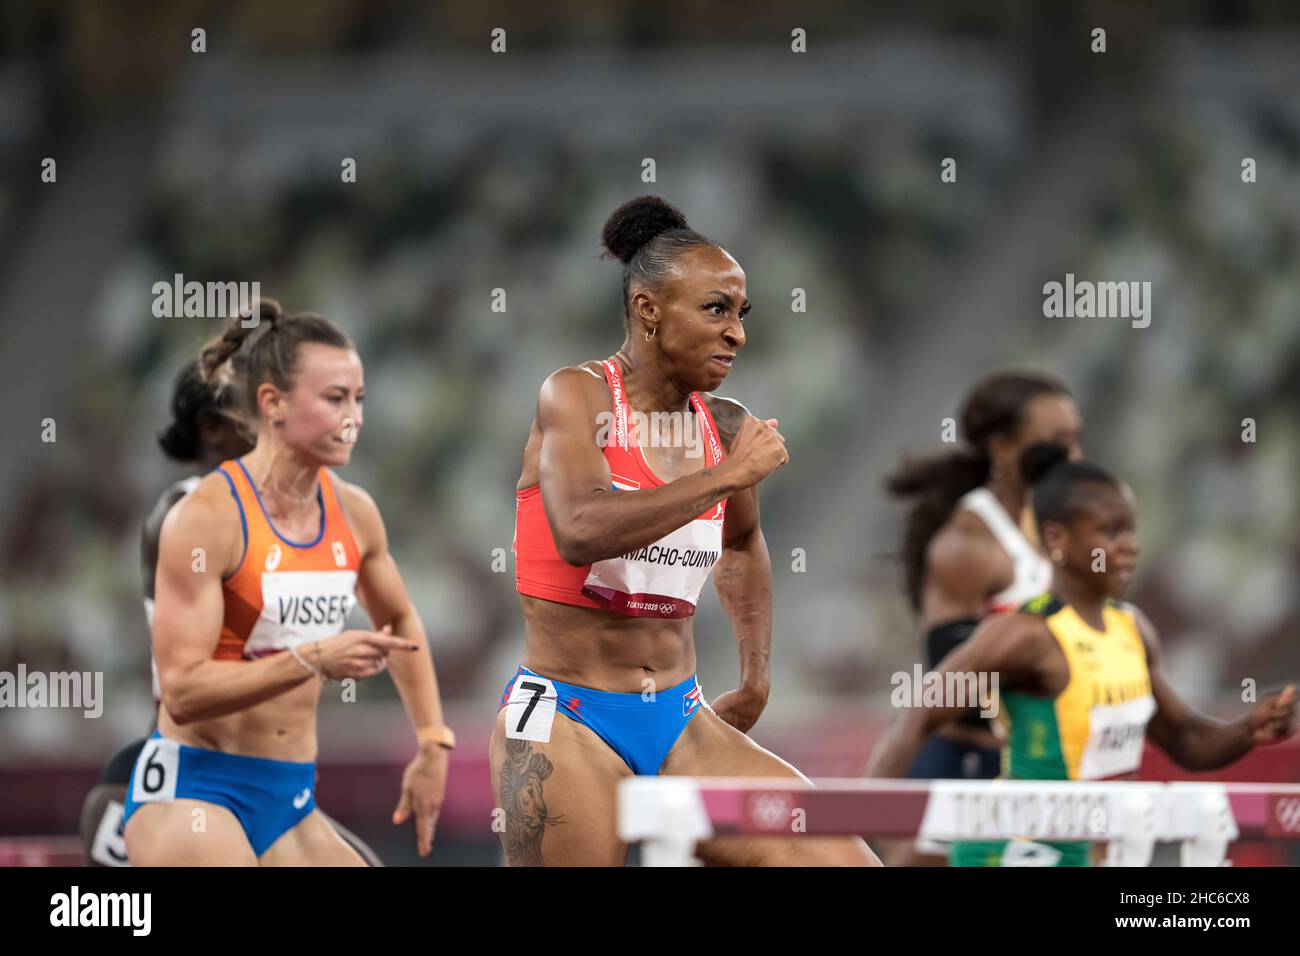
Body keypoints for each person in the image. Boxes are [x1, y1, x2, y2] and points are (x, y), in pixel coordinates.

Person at [495, 195, 879, 866]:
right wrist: (727, 478)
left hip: (680, 718)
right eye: (716, 309)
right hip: (566, 716)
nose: (737, 333)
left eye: (741, 313)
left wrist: (756, 673)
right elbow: (580, 530)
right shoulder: (576, 396)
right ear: (648, 310)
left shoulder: (725, 426)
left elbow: (739, 545)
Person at [122, 299, 450, 865]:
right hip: (194, 790)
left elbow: (397, 620)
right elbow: (182, 690)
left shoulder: (356, 513)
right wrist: (313, 660)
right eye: (335, 399)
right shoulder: (206, 519)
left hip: (289, 797)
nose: (356, 418)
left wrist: (432, 740)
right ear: (272, 402)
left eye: (359, 399)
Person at [867, 443, 1297, 866]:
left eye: (1132, 529)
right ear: (1057, 538)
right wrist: (860, 825)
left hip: (1093, 855)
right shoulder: (1025, 634)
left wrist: (1247, 730)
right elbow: (918, 714)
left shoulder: (1132, 630)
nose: (1130, 546)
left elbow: (1185, 739)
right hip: (1016, 852)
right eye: (1110, 532)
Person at [81, 360, 381, 865]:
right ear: (214, 430)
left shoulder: (294, 512)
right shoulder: (188, 513)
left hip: (269, 773)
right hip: (196, 765)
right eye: (260, 410)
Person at [880, 370, 1081, 864]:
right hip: (965, 766)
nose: (1074, 458)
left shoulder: (1053, 530)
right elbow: (950, 684)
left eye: (1077, 441)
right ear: (1003, 448)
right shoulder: (969, 543)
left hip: (1029, 769)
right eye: (1057, 443)